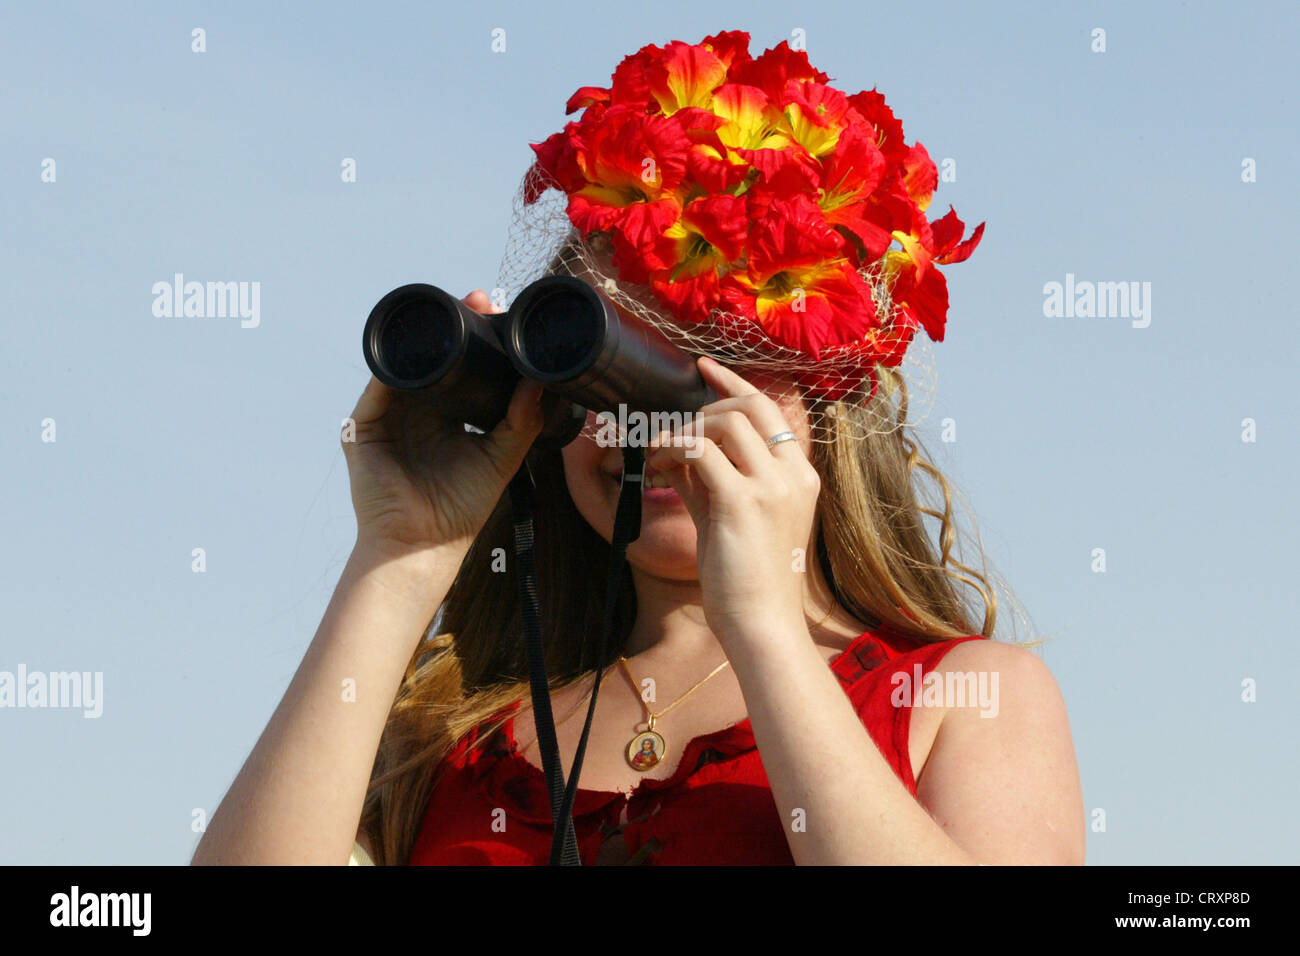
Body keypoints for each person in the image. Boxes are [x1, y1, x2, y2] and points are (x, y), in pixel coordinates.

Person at [191, 31, 1085, 867]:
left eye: (715, 363)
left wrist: (765, 622)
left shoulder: (964, 699)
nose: (650, 423)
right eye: (607, 367)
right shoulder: (452, 739)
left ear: (826, 399)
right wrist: (398, 559)